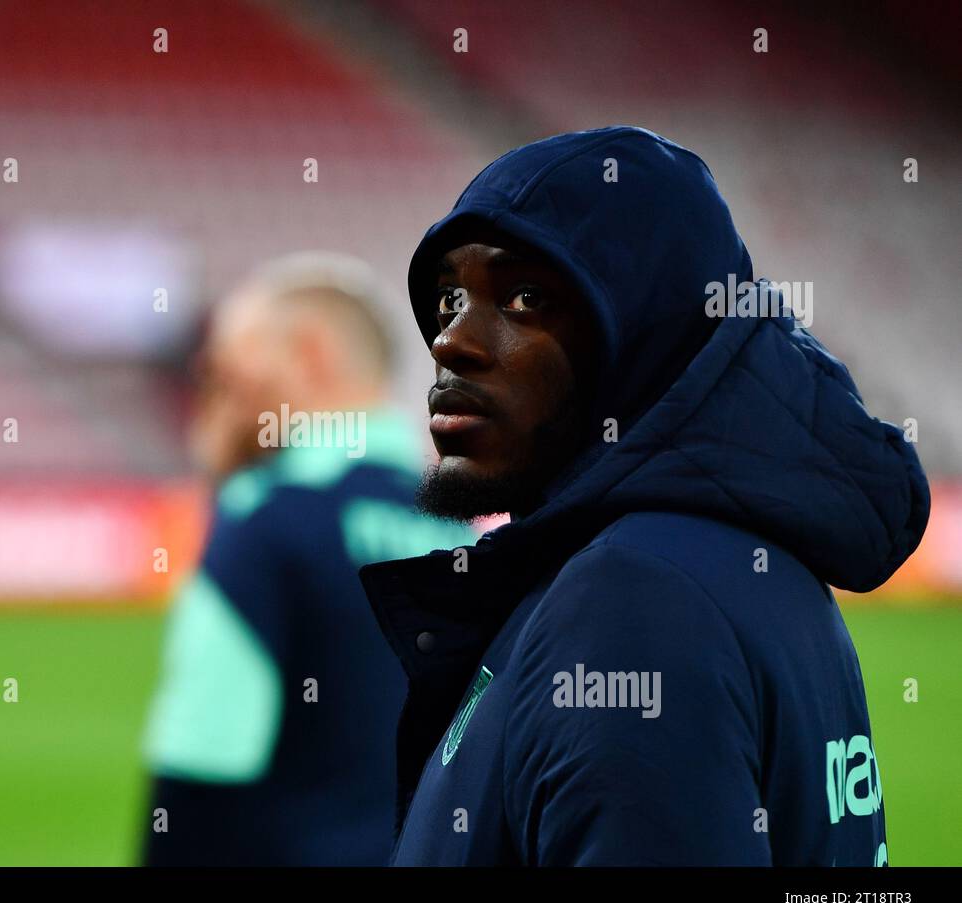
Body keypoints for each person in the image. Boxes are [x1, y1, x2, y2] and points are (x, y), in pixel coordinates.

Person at [358, 126, 930, 865]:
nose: (450, 341)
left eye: (527, 297)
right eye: (448, 298)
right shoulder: (720, 562)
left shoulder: (635, 601)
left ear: (646, 331)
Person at [141, 253, 468, 865]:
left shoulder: (265, 520)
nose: (214, 393)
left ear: (311, 353)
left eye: (227, 368)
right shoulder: (463, 532)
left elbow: (200, 769)